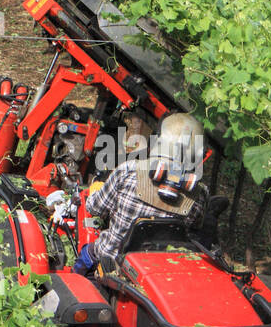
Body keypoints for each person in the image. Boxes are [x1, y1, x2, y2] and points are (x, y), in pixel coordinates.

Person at [73, 113, 208, 276]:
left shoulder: (129, 170)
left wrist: (95, 189)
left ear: (159, 141)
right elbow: (193, 231)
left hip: (109, 264)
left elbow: (94, 208)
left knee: (90, 251)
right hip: (156, 274)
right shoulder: (200, 195)